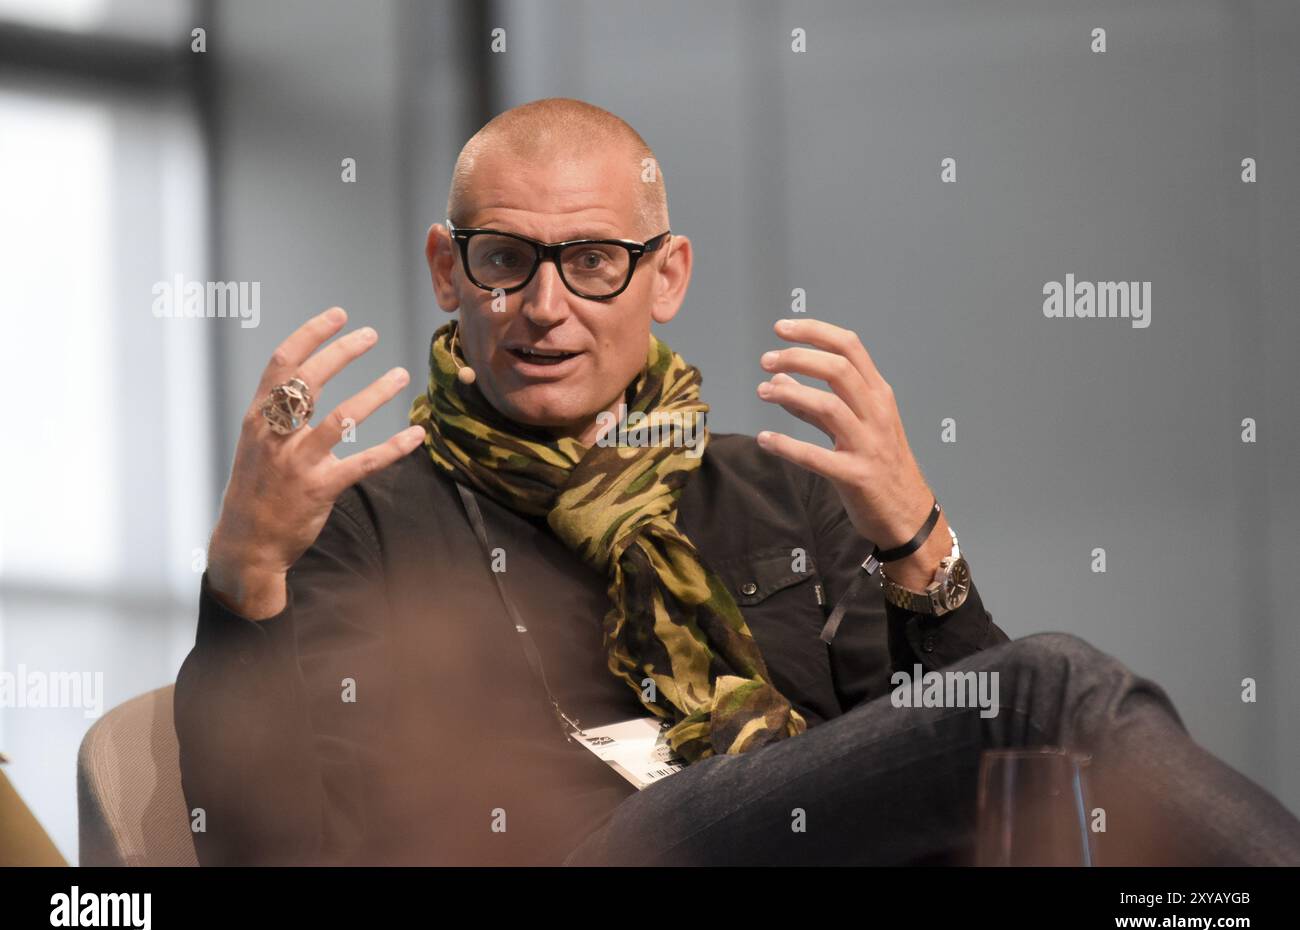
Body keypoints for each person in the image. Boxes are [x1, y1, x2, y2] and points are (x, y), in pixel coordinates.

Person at [173, 97, 1300, 866]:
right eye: (505, 258)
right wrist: (245, 579)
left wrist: (917, 543)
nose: (546, 306)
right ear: (447, 270)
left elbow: (957, 764)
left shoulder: (775, 488)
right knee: (1051, 687)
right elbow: (265, 842)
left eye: (594, 261)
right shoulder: (358, 514)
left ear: (664, 276)